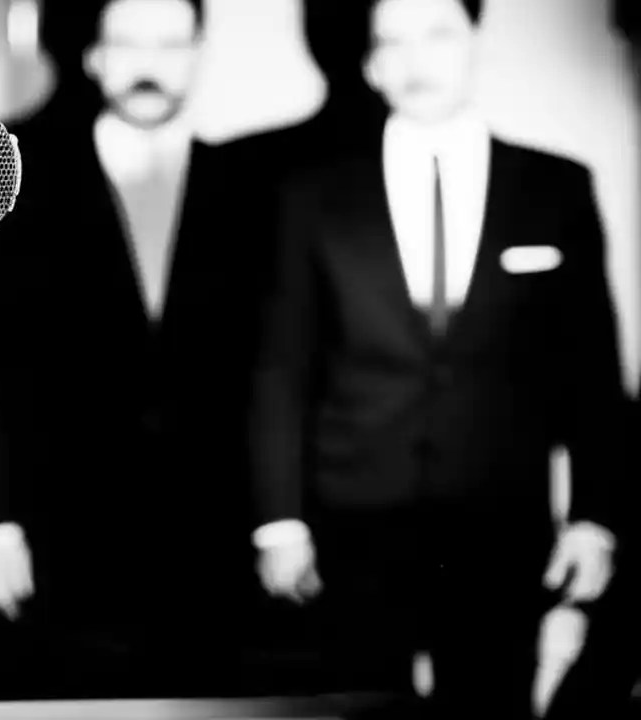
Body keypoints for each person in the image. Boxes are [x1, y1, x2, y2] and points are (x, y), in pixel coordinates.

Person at [249, 0, 626, 716]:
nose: (416, 60)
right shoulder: (312, 196)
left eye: (438, 34)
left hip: (500, 522)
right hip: (352, 525)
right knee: (357, 707)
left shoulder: (554, 187)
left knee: (491, 707)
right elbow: (280, 368)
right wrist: (279, 522)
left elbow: (592, 370)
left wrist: (595, 517)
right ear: (369, 62)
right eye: (393, 41)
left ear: (475, 42)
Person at [0, 0, 271, 699]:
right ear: (93, 56)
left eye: (170, 45)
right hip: (61, 537)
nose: (149, 66)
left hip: (212, 543)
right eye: (129, 44)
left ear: (198, 55)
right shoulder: (18, 182)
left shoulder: (254, 187)